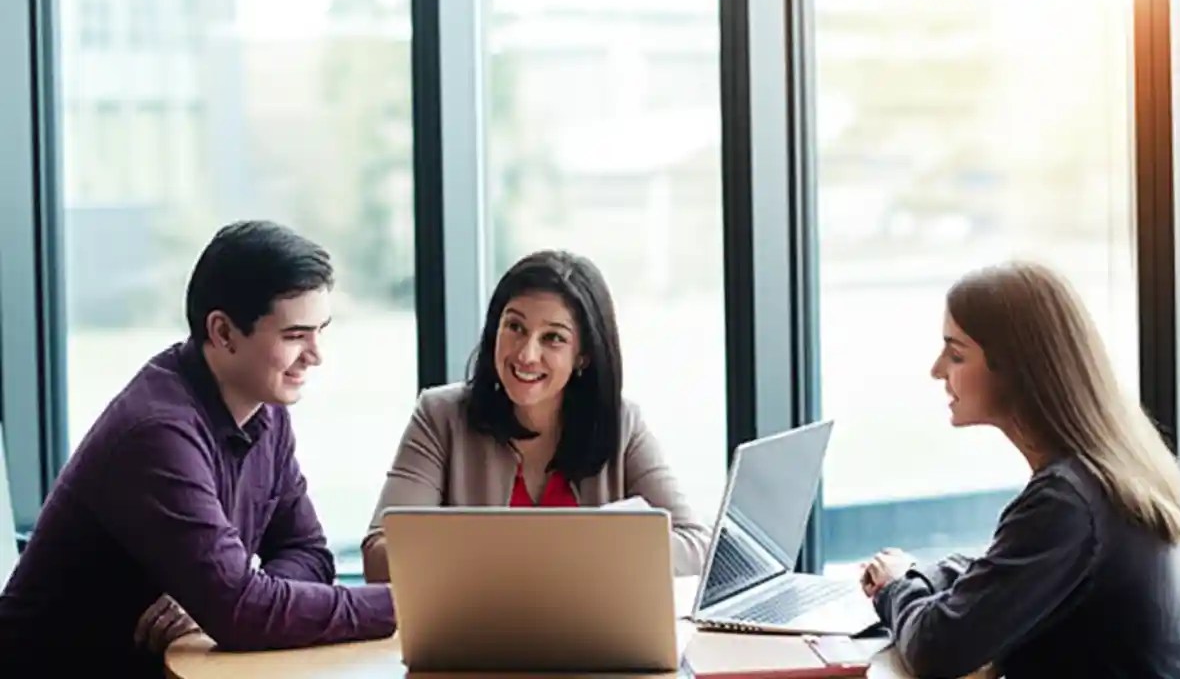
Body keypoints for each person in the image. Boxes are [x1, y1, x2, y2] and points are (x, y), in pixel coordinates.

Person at [0, 221, 395, 674]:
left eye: (321, 330)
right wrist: (403, 606)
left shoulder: (265, 410)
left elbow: (308, 553)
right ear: (223, 333)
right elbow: (243, 613)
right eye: (294, 335)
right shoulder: (157, 432)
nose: (316, 354)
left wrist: (216, 603)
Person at [860, 261, 1180, 679]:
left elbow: (937, 649)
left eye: (955, 354)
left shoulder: (1066, 501)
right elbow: (1010, 568)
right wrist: (927, 575)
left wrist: (897, 587)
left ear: (1016, 368)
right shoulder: (1114, 474)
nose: (937, 370)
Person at [362, 250, 710, 583]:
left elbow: (698, 549)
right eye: (514, 327)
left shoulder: (623, 425)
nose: (527, 354)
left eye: (553, 338)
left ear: (583, 356)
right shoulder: (440, 416)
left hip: (595, 636)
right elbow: (378, 555)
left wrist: (566, 554)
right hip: (476, 635)